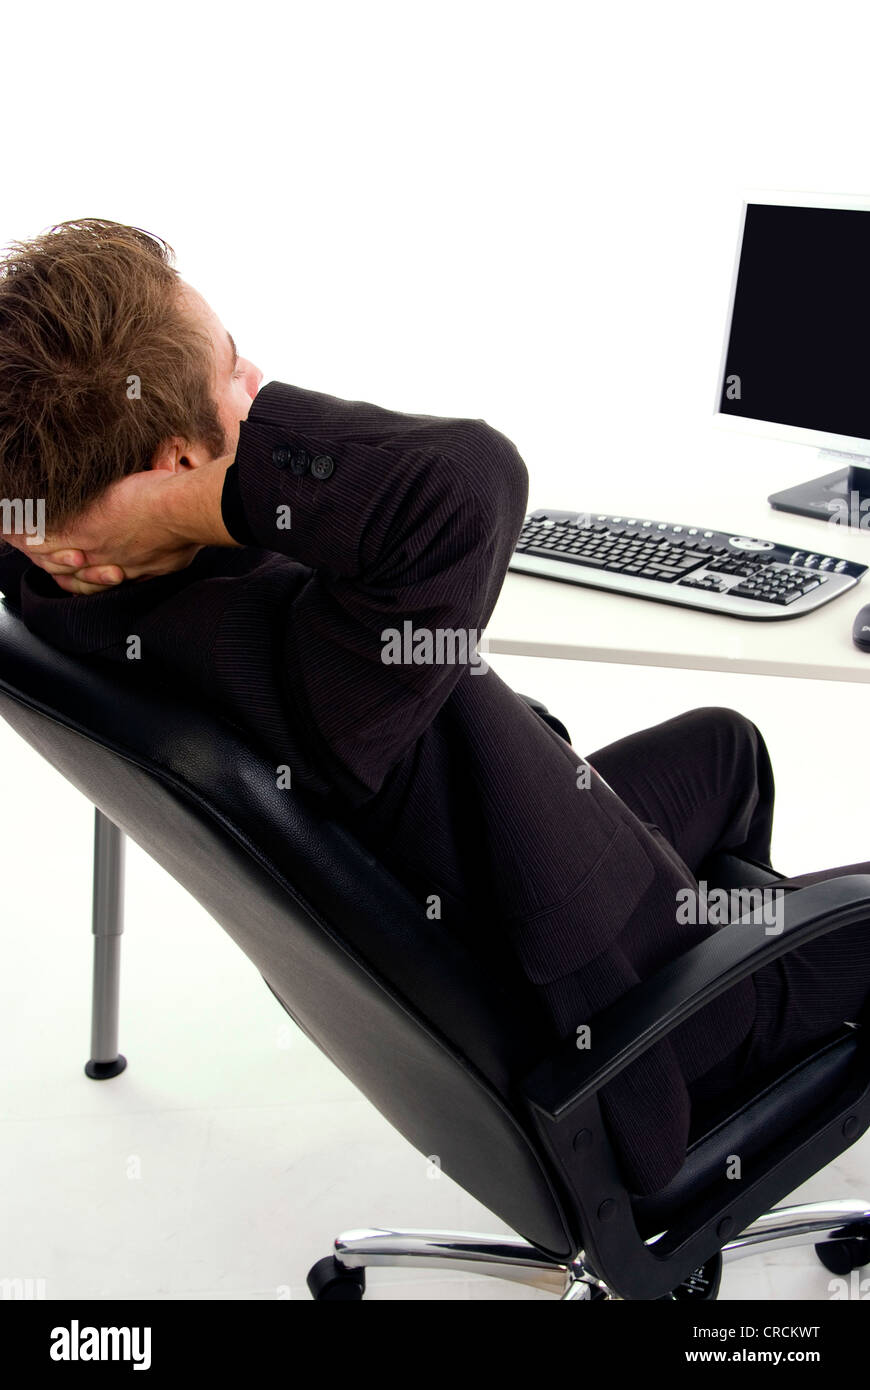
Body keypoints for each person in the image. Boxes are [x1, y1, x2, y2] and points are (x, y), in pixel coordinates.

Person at [0, 219, 867, 1199]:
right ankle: (715, 1045)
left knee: (727, 751)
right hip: (590, 1003)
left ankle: (721, 956)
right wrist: (189, 490)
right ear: (166, 465)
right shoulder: (279, 648)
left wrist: (132, 499)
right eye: (238, 371)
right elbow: (465, 483)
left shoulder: (58, 586)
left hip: (522, 858)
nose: (263, 388)